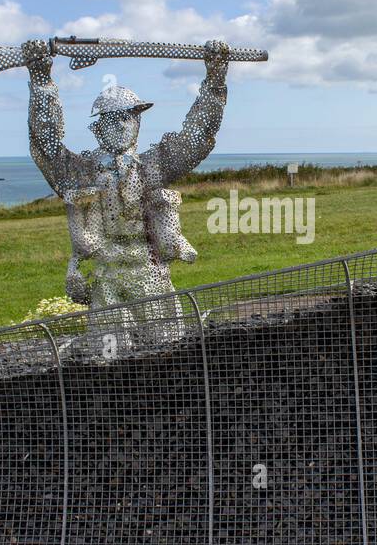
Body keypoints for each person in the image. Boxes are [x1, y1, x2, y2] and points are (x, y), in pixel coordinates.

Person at [24, 38, 231, 332]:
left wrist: (215, 80)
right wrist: (41, 78)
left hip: (152, 277)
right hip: (107, 281)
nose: (123, 126)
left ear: (138, 124)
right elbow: (46, 144)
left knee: (168, 345)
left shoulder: (154, 165)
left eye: (130, 118)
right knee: (111, 356)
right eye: (114, 120)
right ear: (98, 127)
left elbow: (197, 136)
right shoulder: (81, 172)